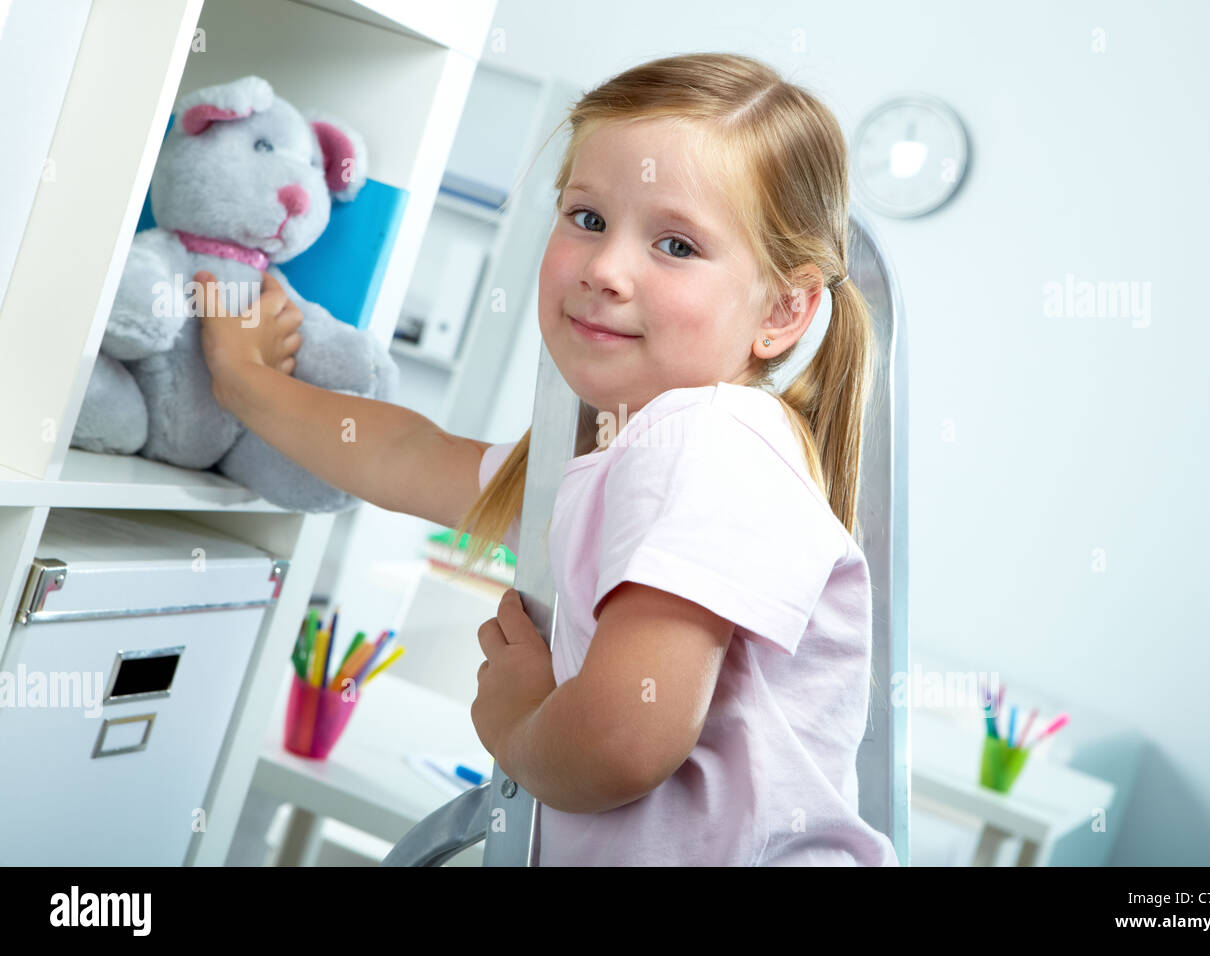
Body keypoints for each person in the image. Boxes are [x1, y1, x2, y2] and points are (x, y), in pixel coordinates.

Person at [198, 51, 898, 866]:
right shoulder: (633, 451)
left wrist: (517, 723)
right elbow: (405, 455)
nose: (605, 270)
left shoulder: (710, 441)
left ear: (783, 309)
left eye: (675, 245)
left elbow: (622, 742)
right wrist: (244, 383)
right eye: (587, 219)